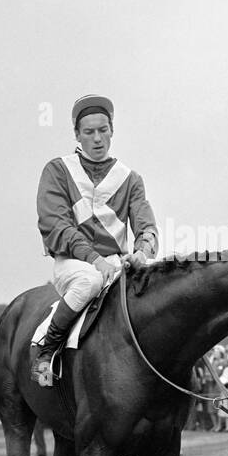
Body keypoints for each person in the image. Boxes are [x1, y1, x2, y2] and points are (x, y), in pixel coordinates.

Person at [31, 95, 159, 386]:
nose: (97, 138)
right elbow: (57, 226)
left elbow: (146, 224)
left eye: (103, 130)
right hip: (74, 264)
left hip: (116, 264)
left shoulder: (130, 179)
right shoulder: (58, 171)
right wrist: (95, 260)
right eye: (89, 132)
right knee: (89, 282)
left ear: (112, 130)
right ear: (76, 134)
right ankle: (46, 350)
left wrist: (143, 250)